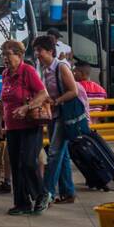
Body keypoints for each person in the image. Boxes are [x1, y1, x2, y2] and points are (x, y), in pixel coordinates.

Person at [0, 39, 49, 215]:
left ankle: (42, 194)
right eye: (3, 54)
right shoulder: (5, 74)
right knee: (16, 165)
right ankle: (22, 204)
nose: (4, 58)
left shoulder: (27, 71)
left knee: (28, 162)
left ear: (19, 55)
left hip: (29, 124)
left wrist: (26, 107)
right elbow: (6, 97)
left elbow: (43, 93)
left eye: (8, 54)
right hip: (12, 126)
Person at [33, 34, 81, 205]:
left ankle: (47, 193)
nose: (37, 54)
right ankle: (68, 192)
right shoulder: (44, 69)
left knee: (53, 154)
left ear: (50, 51)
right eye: (36, 51)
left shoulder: (61, 67)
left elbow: (73, 91)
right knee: (63, 154)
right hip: (53, 115)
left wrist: (57, 101)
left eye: (40, 51)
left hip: (63, 115)